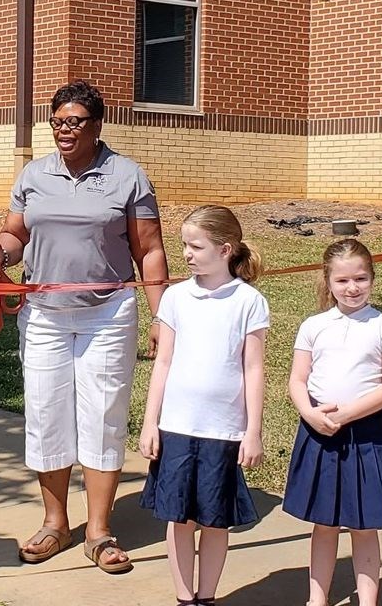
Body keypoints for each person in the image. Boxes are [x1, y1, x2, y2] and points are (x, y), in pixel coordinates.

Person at [0, 80, 169, 573]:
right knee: (46, 414)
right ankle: (55, 523)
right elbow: (16, 233)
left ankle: (100, 531)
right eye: (57, 121)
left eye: (74, 121)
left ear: (97, 125)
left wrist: (162, 314)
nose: (64, 130)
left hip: (108, 312)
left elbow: (148, 249)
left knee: (103, 414)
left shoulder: (127, 176)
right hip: (42, 313)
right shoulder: (34, 174)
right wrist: (0, 253)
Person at [138, 205, 268, 604]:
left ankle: (207, 596)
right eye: (184, 246)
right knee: (179, 519)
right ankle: (183, 597)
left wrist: (252, 432)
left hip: (223, 431)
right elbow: (163, 361)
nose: (187, 254)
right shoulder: (176, 297)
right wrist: (150, 422)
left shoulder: (248, 301)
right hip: (176, 427)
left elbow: (253, 369)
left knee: (215, 520)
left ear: (225, 249)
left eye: (196, 246)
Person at [282, 238, 382, 606]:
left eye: (361, 278)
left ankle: (368, 601)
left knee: (364, 524)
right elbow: (297, 380)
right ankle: (316, 599)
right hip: (319, 431)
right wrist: (310, 413)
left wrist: (348, 414)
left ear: (372, 278)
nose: (352, 287)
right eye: (342, 281)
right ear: (328, 281)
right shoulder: (313, 325)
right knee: (323, 524)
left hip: (367, 433)